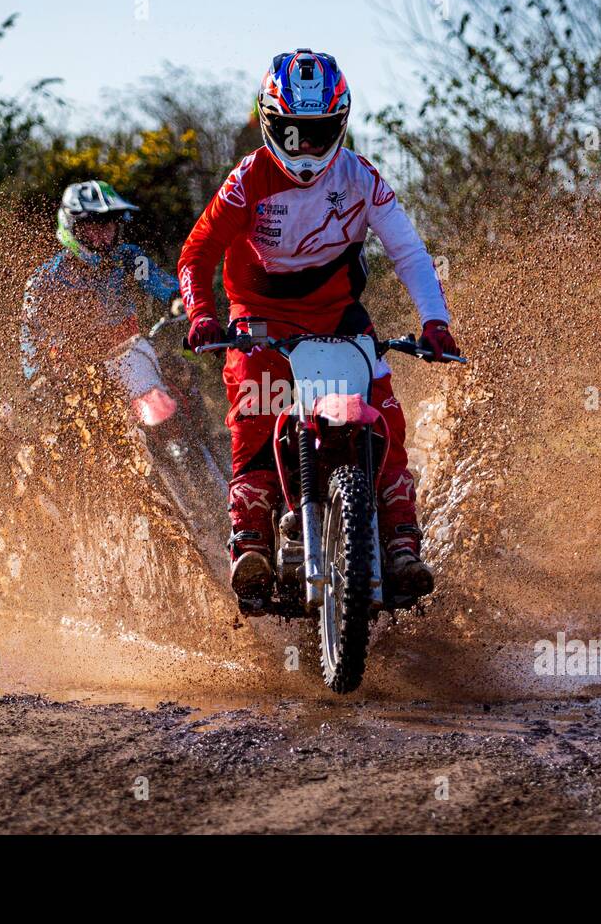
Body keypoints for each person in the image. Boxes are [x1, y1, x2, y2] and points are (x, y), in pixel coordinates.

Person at [178, 49, 461, 602]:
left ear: (341, 125)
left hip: (337, 316)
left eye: (318, 132)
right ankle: (252, 541)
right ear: (268, 124)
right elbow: (197, 253)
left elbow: (409, 253)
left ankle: (401, 542)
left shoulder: (362, 179)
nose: (304, 148)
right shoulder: (248, 179)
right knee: (255, 413)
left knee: (386, 414)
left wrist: (436, 323)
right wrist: (202, 314)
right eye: (290, 133)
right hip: (258, 319)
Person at [22, 180, 179, 380]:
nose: (101, 239)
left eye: (107, 228)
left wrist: (177, 297)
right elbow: (31, 339)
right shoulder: (45, 280)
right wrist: (37, 377)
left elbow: (159, 281)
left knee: (182, 373)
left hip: (132, 357)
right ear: (72, 227)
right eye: (92, 229)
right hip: (76, 375)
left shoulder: (129, 258)